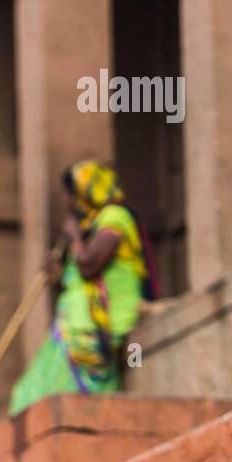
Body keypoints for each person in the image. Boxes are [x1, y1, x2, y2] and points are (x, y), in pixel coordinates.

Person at [9, 160, 158, 416]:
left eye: (71, 194)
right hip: (71, 330)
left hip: (95, 333)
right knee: (27, 394)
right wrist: (55, 270)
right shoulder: (93, 226)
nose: (68, 202)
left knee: (64, 400)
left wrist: (75, 236)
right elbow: (79, 279)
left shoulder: (115, 218)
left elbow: (89, 266)